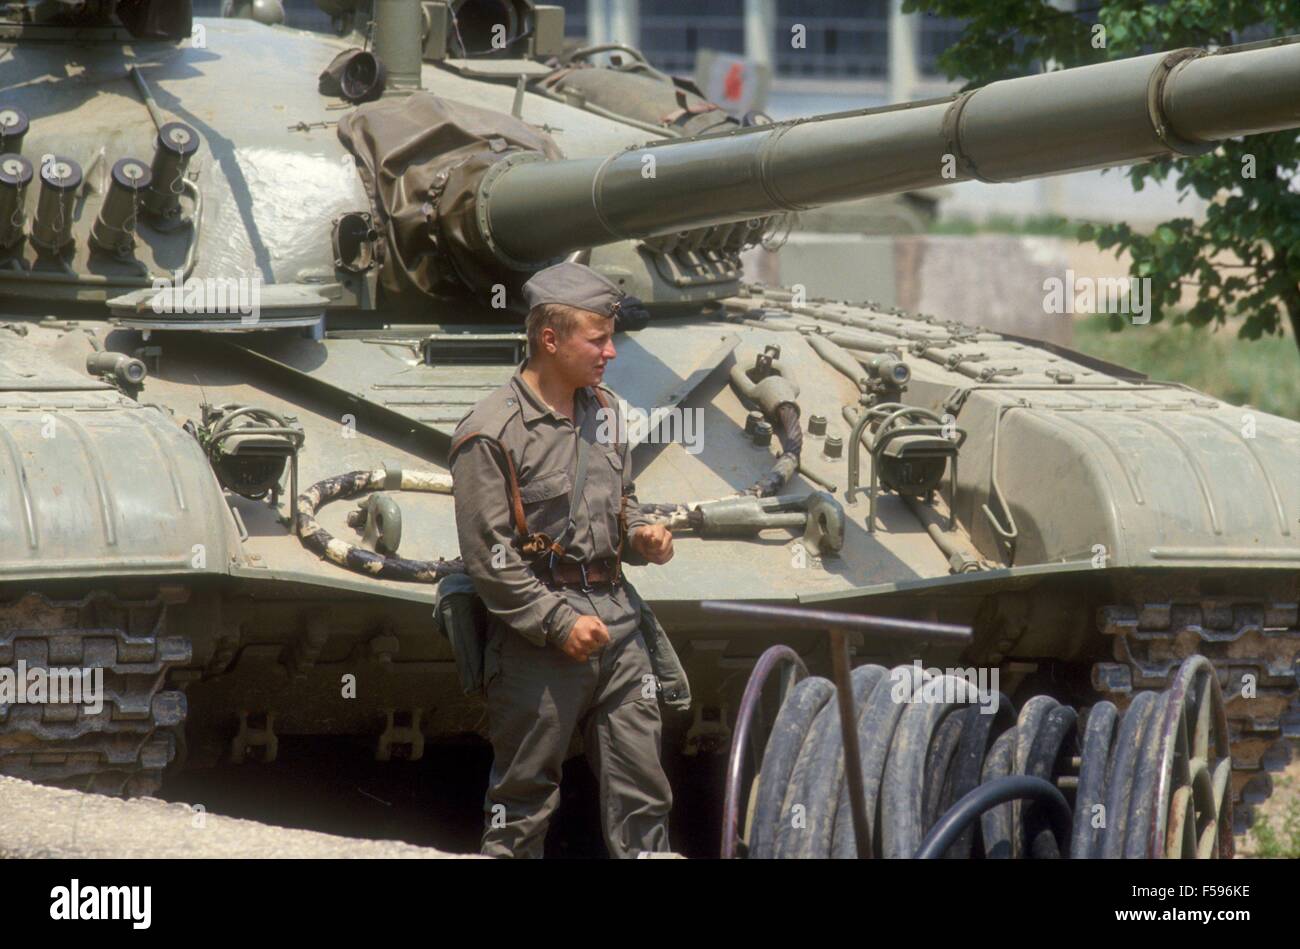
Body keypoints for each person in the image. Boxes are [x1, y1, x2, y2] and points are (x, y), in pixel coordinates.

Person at [449, 262, 688, 858]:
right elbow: (491, 558)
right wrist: (558, 624)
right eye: (598, 338)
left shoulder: (603, 409)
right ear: (550, 339)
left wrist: (641, 535)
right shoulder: (492, 432)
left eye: (612, 337)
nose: (611, 351)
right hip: (538, 640)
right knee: (524, 800)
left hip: (619, 624)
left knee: (644, 795)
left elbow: (621, 500)